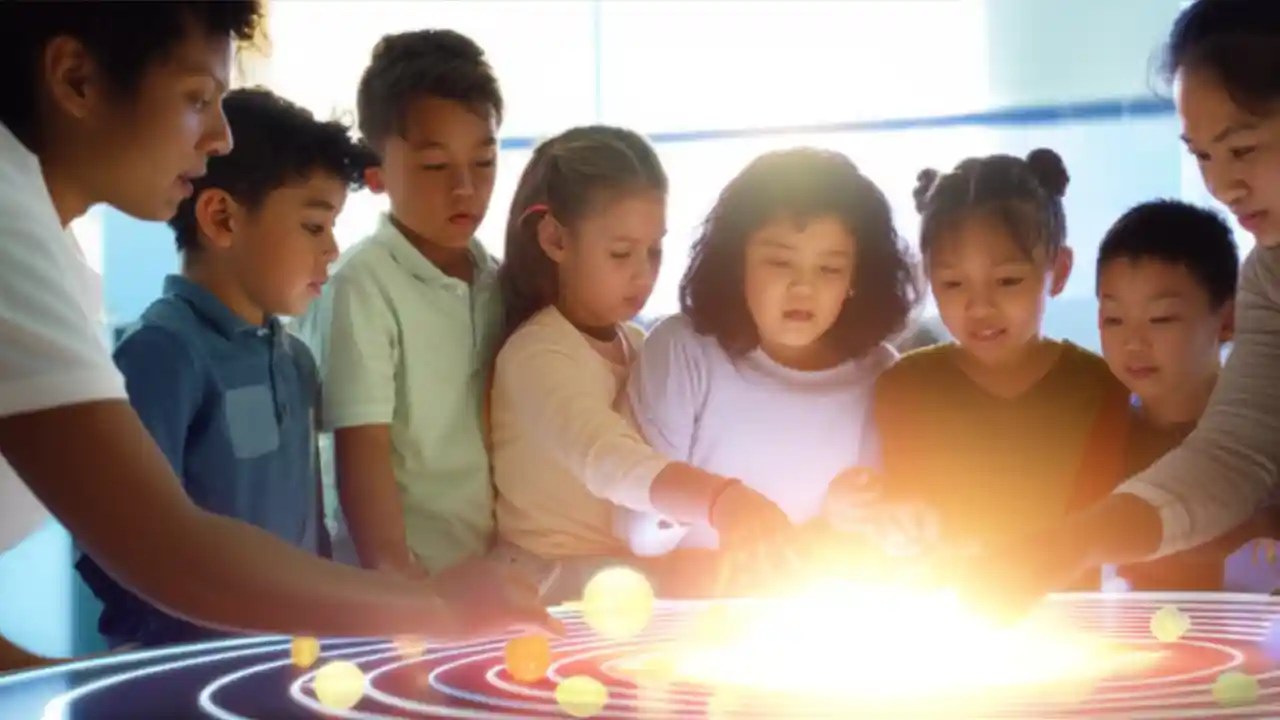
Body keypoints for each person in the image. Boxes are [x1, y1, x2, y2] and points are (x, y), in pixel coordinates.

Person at [0, 3, 552, 670]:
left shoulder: (52, 255)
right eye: (198, 97)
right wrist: (433, 608)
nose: (219, 139)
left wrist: (51, 685)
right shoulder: (17, 238)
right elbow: (167, 549)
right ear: (77, 79)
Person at [958, 0, 1280, 615]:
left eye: (1242, 150)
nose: (1221, 185)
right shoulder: (1269, 279)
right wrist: (1063, 547)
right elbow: (1234, 455)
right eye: (1202, 155)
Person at [74, 87, 369, 648]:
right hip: (181, 679)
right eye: (313, 226)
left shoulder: (296, 361)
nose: (332, 249)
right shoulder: (162, 355)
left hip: (290, 666)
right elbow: (111, 546)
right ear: (221, 217)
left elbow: (311, 538)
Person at [488, 127, 793, 602]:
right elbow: (611, 460)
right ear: (554, 239)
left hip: (622, 571)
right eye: (621, 253)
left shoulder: (636, 343)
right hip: (550, 581)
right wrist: (720, 499)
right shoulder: (537, 355)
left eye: (654, 250)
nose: (643, 273)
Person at [622, 148, 915, 592]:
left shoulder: (881, 375)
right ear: (737, 261)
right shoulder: (685, 351)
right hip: (685, 620)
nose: (803, 287)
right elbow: (638, 528)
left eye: (830, 268)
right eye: (780, 262)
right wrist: (723, 509)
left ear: (857, 277)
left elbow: (876, 542)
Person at [293, 29, 506, 578]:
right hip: (408, 594)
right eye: (435, 167)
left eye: (483, 162)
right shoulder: (362, 286)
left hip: (494, 583)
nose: (465, 188)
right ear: (377, 175)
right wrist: (404, 594)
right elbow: (361, 460)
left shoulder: (498, 281)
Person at [868, 150, 1130, 579]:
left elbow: (1099, 523)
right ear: (927, 278)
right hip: (946, 611)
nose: (979, 306)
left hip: (1070, 618)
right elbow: (900, 509)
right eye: (953, 283)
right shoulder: (904, 386)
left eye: (1008, 281)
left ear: (1058, 271)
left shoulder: (1100, 384)